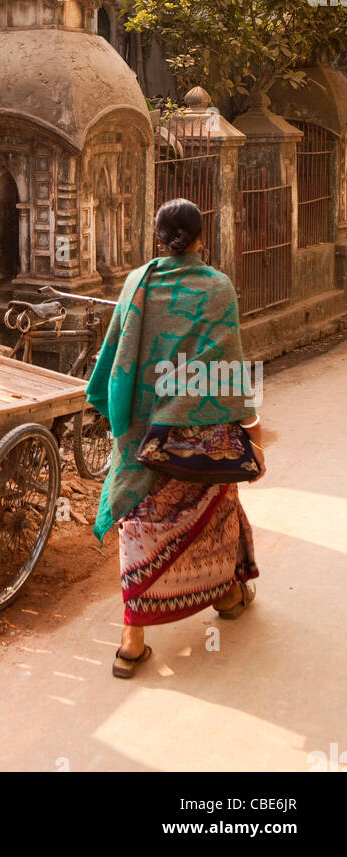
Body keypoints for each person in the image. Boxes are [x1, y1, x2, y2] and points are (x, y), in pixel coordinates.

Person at [85, 198, 264, 678]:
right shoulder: (219, 289)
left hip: (144, 435)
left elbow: (115, 357)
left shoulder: (136, 283)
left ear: (158, 239)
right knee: (214, 511)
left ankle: (132, 639)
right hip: (198, 435)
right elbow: (227, 369)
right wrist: (250, 427)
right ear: (202, 238)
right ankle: (226, 595)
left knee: (139, 524)